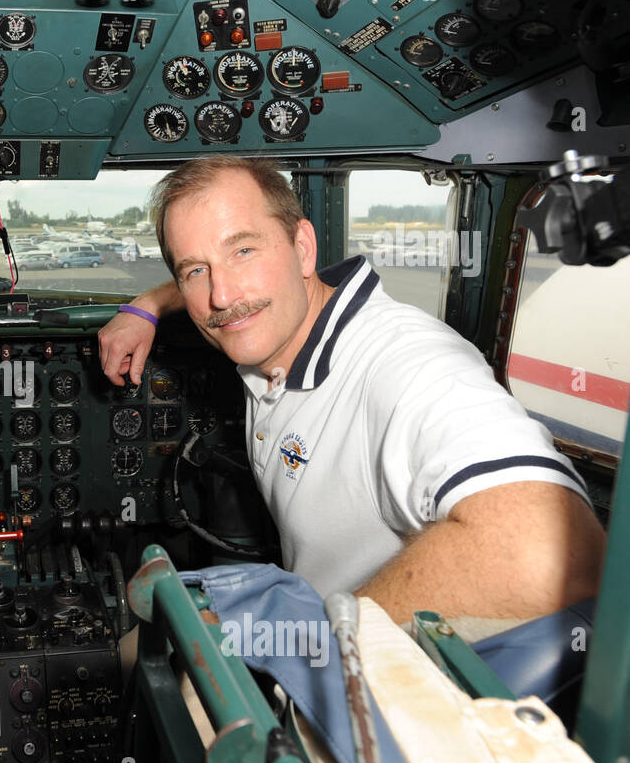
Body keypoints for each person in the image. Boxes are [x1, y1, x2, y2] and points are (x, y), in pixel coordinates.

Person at [99, 156, 604, 627]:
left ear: (302, 248)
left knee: (141, 657)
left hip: (369, 678)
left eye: (244, 250)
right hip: (319, 627)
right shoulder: (276, 335)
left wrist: (314, 655)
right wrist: (146, 305)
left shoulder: (405, 363)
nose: (222, 295)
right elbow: (215, 284)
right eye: (195, 271)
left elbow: (549, 555)